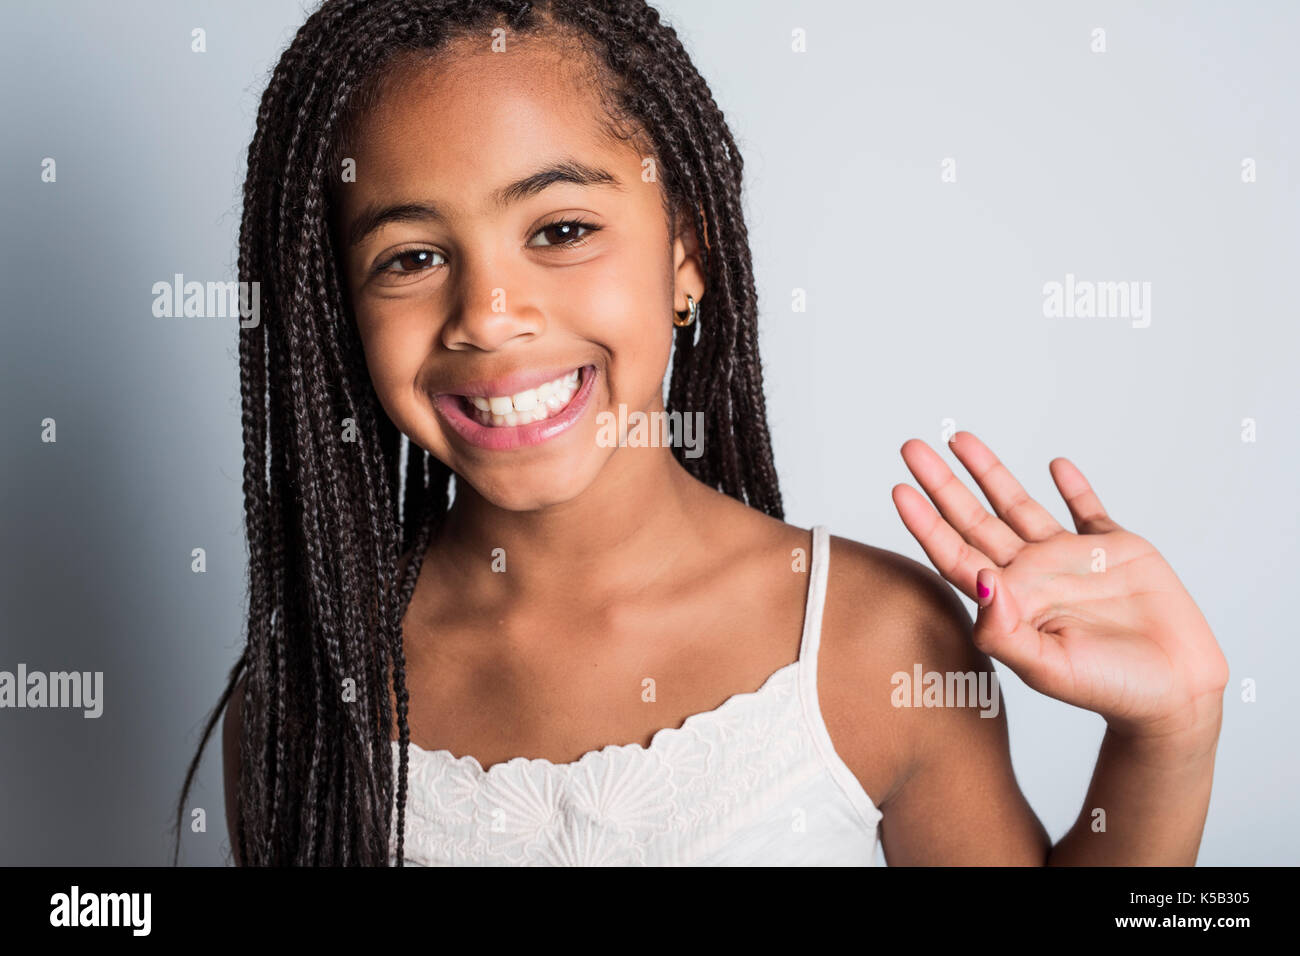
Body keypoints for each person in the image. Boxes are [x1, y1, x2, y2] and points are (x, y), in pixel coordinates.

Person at [174, 0, 1228, 866]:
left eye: (562, 230)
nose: (490, 312)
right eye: (410, 257)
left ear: (688, 251)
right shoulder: (302, 703)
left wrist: (1165, 732)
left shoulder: (875, 641)